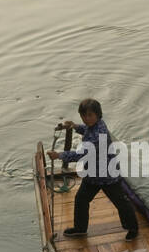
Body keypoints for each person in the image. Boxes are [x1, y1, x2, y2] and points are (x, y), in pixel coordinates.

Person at [47, 98, 138, 240]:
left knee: (121, 202)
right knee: (81, 200)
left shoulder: (98, 135)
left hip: (108, 175)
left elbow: (81, 154)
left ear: (98, 114)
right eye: (84, 115)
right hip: (93, 174)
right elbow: (87, 128)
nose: (86, 118)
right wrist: (76, 126)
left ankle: (132, 228)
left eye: (90, 115)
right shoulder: (96, 124)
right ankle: (80, 229)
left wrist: (59, 155)